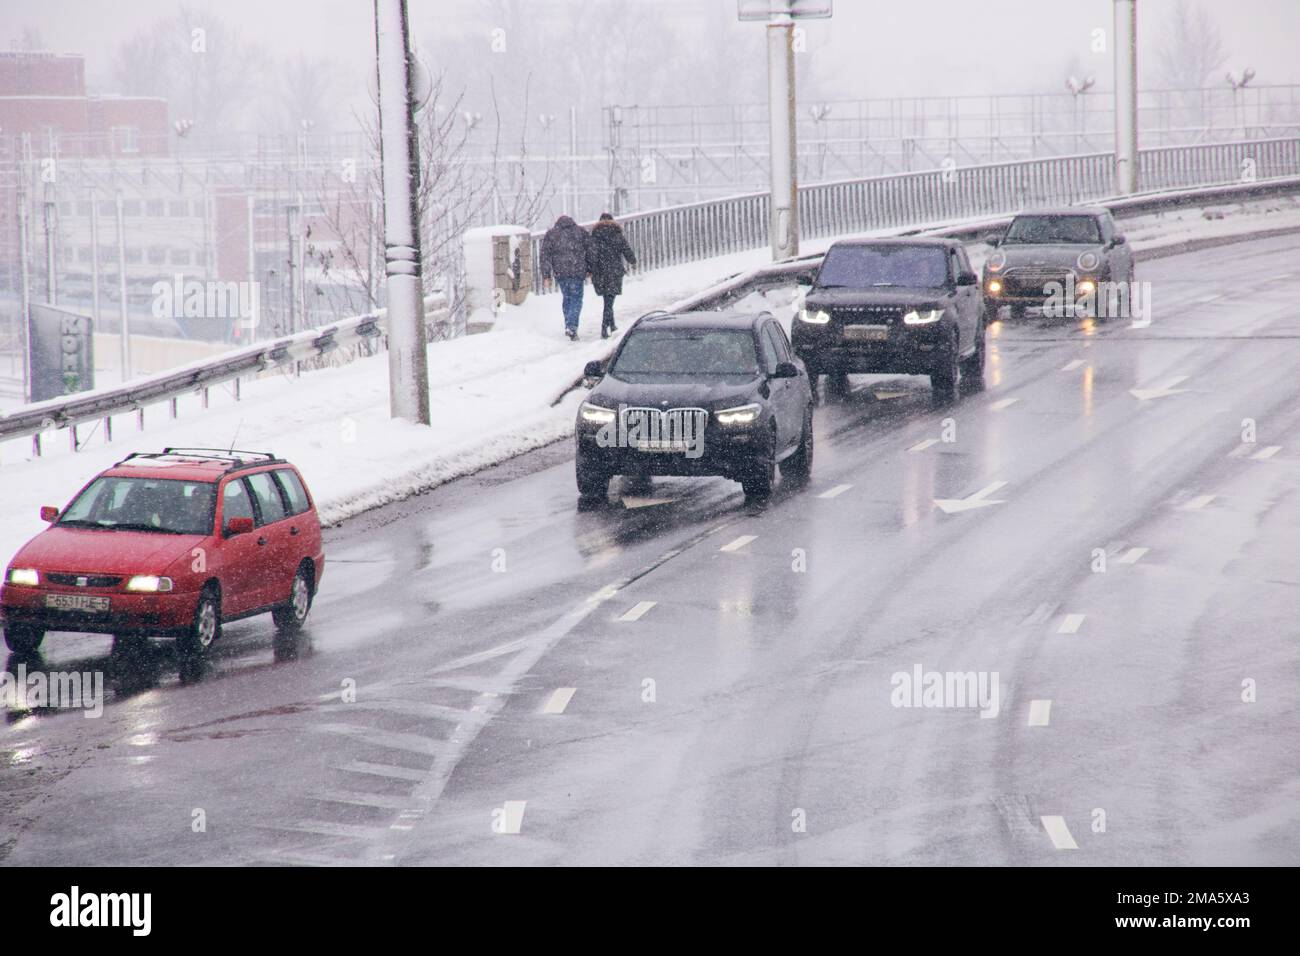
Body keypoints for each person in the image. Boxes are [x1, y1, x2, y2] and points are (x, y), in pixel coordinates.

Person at [540, 214, 592, 340]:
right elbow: (591, 250)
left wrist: (546, 275)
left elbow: (544, 255)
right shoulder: (581, 232)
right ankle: (572, 326)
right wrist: (590, 268)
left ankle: (568, 324)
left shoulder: (551, 234)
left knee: (567, 297)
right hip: (577, 270)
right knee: (576, 299)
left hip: (561, 272)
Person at [587, 212, 638, 339]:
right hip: (614, 271)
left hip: (600, 272)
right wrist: (633, 261)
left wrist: (589, 269)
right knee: (609, 300)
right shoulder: (617, 234)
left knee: (607, 299)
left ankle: (612, 325)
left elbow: (591, 254)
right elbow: (626, 249)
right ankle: (604, 327)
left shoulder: (595, 236)